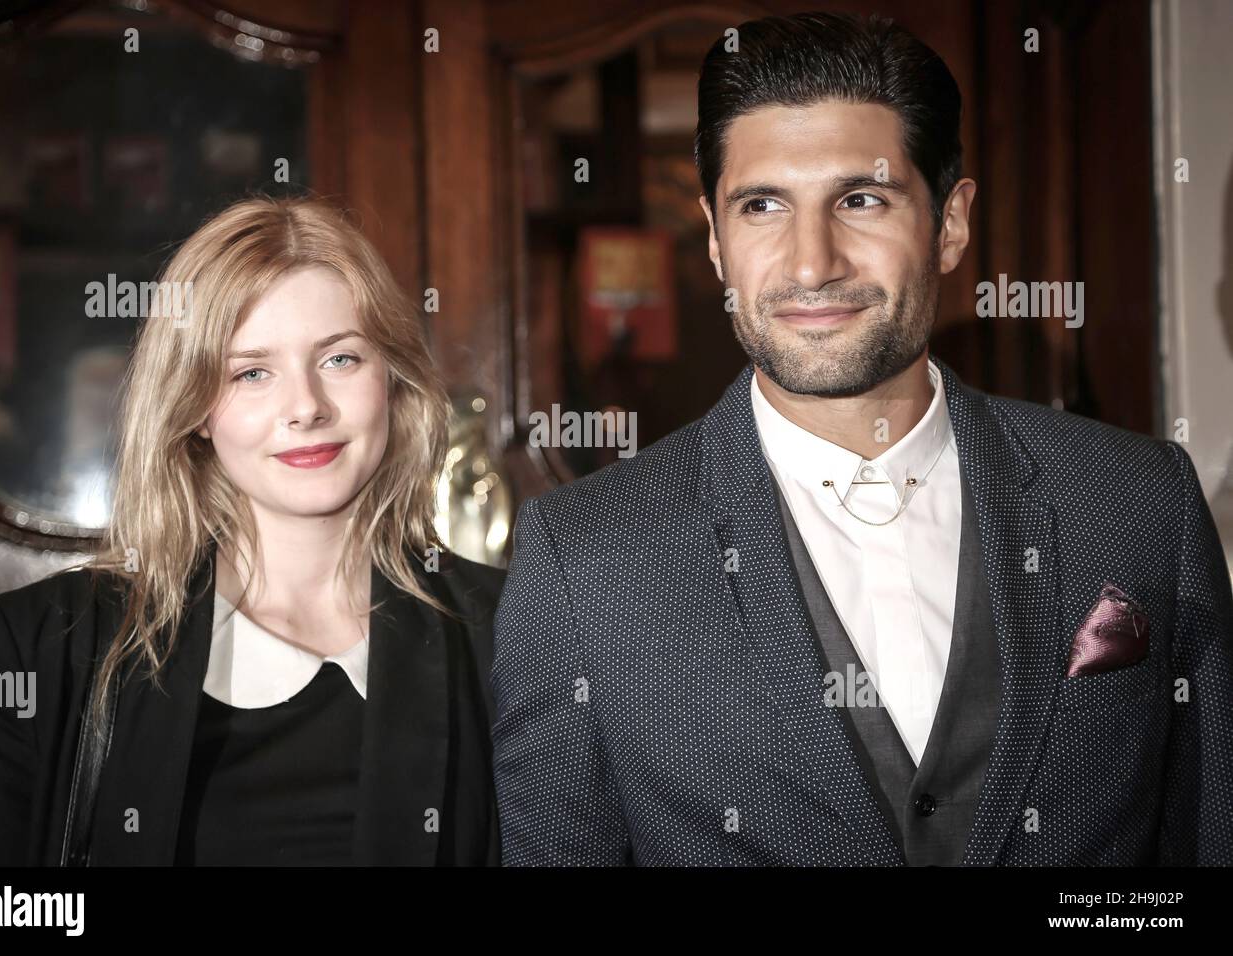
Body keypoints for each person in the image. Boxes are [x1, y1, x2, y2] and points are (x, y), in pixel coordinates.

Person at [492, 12, 1233, 865]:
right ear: (714, 238)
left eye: (861, 199)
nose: (812, 264)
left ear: (950, 223)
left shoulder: (1139, 498)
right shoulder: (584, 558)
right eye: (763, 205)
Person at [0, 196, 504, 866]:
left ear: (393, 378)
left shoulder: (510, 631)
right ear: (196, 407)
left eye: (341, 359)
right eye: (251, 372)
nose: (306, 408)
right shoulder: (39, 646)